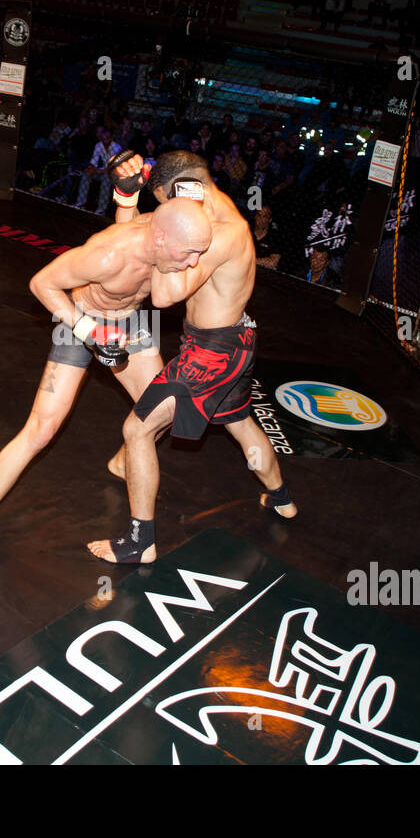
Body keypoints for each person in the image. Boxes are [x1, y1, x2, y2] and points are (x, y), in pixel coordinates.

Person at [0, 162, 213, 569]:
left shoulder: (165, 234)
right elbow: (41, 283)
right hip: (81, 322)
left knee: (166, 410)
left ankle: (122, 457)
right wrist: (89, 330)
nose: (192, 264)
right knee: (40, 431)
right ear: (162, 240)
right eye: (188, 255)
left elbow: (151, 212)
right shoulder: (108, 253)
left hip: (132, 323)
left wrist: (126, 195)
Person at [87, 151, 298, 565]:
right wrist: (127, 202)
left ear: (183, 189)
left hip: (212, 354)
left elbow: (164, 296)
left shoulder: (221, 233)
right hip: (233, 342)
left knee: (138, 430)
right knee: (238, 422)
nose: (165, 213)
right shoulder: (208, 209)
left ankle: (140, 542)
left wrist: (163, 236)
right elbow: (127, 238)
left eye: (165, 202)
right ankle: (282, 501)